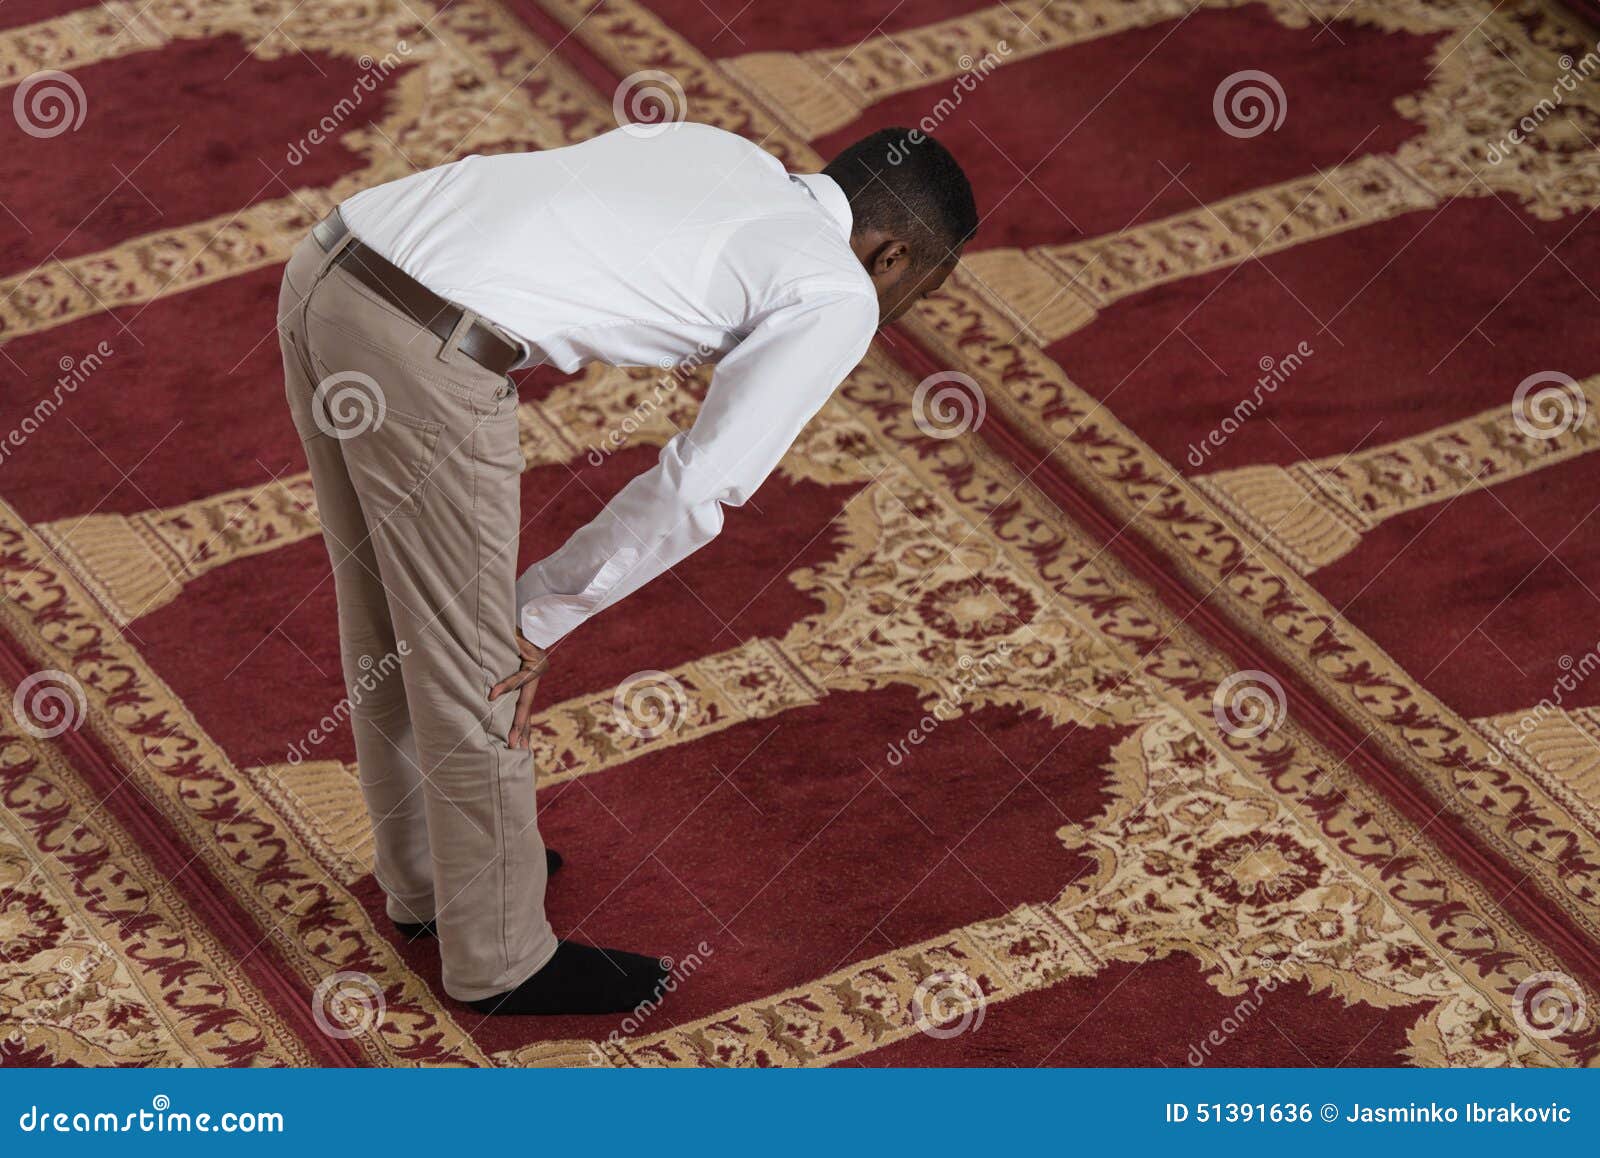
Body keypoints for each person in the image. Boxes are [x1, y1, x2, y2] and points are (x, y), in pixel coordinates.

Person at [276, 122, 978, 1016]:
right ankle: (501, 959)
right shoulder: (837, 288)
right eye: (925, 287)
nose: (906, 313)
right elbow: (701, 487)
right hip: (429, 354)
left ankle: (432, 885)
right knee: (480, 662)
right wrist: (537, 615)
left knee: (384, 614)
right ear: (892, 255)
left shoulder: (726, 151)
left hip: (331, 265)